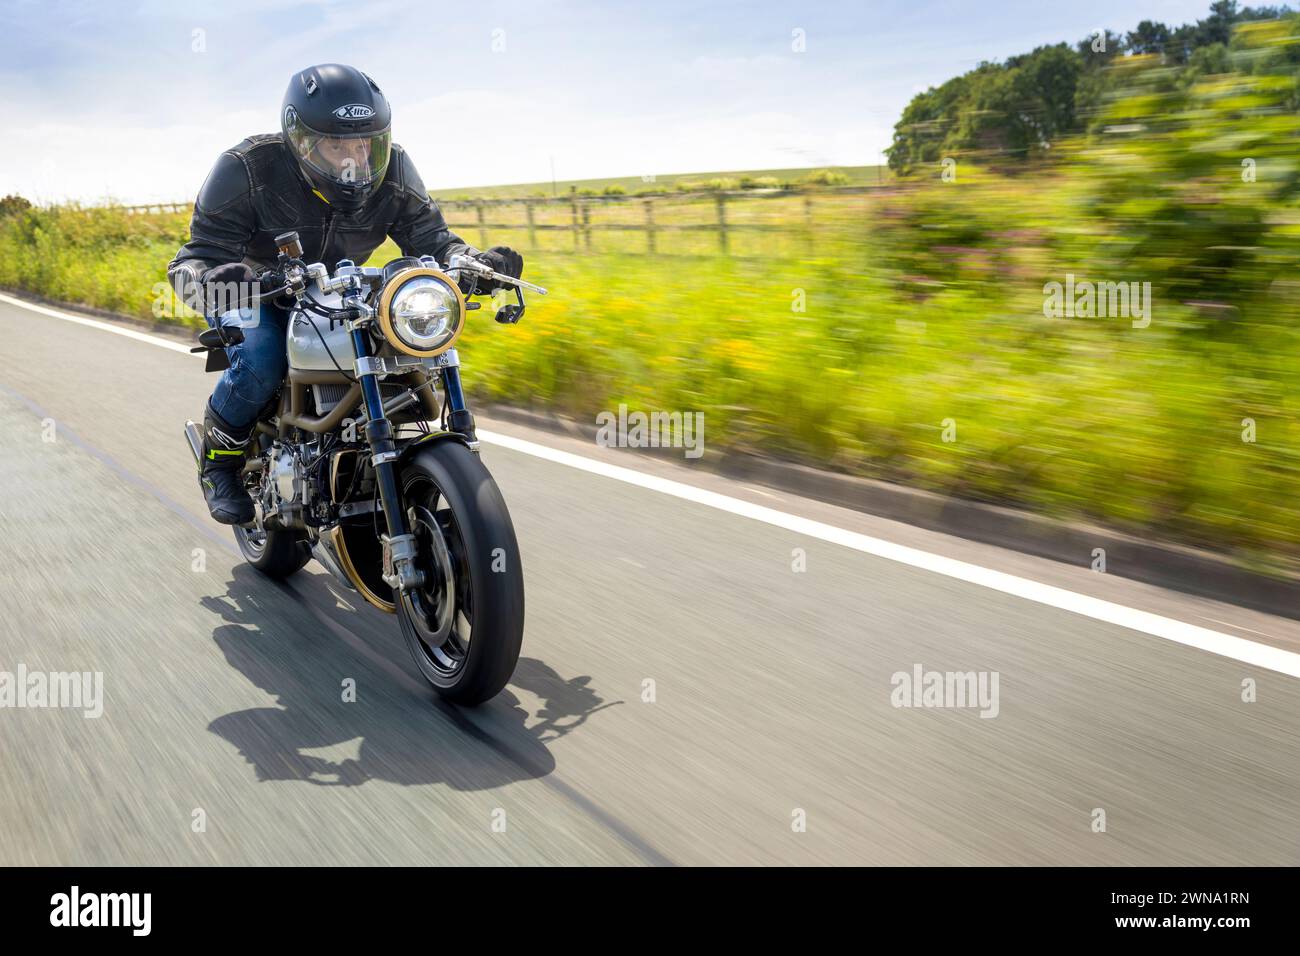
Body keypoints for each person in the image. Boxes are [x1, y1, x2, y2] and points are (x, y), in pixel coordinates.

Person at [168, 63, 523, 524]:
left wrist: (473, 262)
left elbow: (433, 239)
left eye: (366, 142)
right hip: (259, 291)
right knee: (262, 357)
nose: (355, 157)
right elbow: (193, 258)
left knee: (407, 344)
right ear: (300, 140)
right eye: (337, 144)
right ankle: (220, 463)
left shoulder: (394, 166)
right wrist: (218, 281)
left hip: (346, 292)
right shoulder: (247, 169)